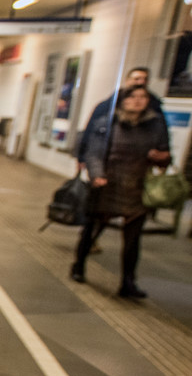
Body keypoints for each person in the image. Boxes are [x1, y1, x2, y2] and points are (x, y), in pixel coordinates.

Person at [70, 82, 171, 298]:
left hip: (136, 187)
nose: (137, 100)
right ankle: (79, 265)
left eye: (142, 97)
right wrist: (97, 175)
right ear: (123, 100)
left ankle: (128, 282)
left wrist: (161, 158)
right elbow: (94, 152)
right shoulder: (107, 122)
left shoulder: (155, 125)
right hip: (108, 184)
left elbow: (165, 153)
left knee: (133, 240)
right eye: (132, 96)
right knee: (93, 229)